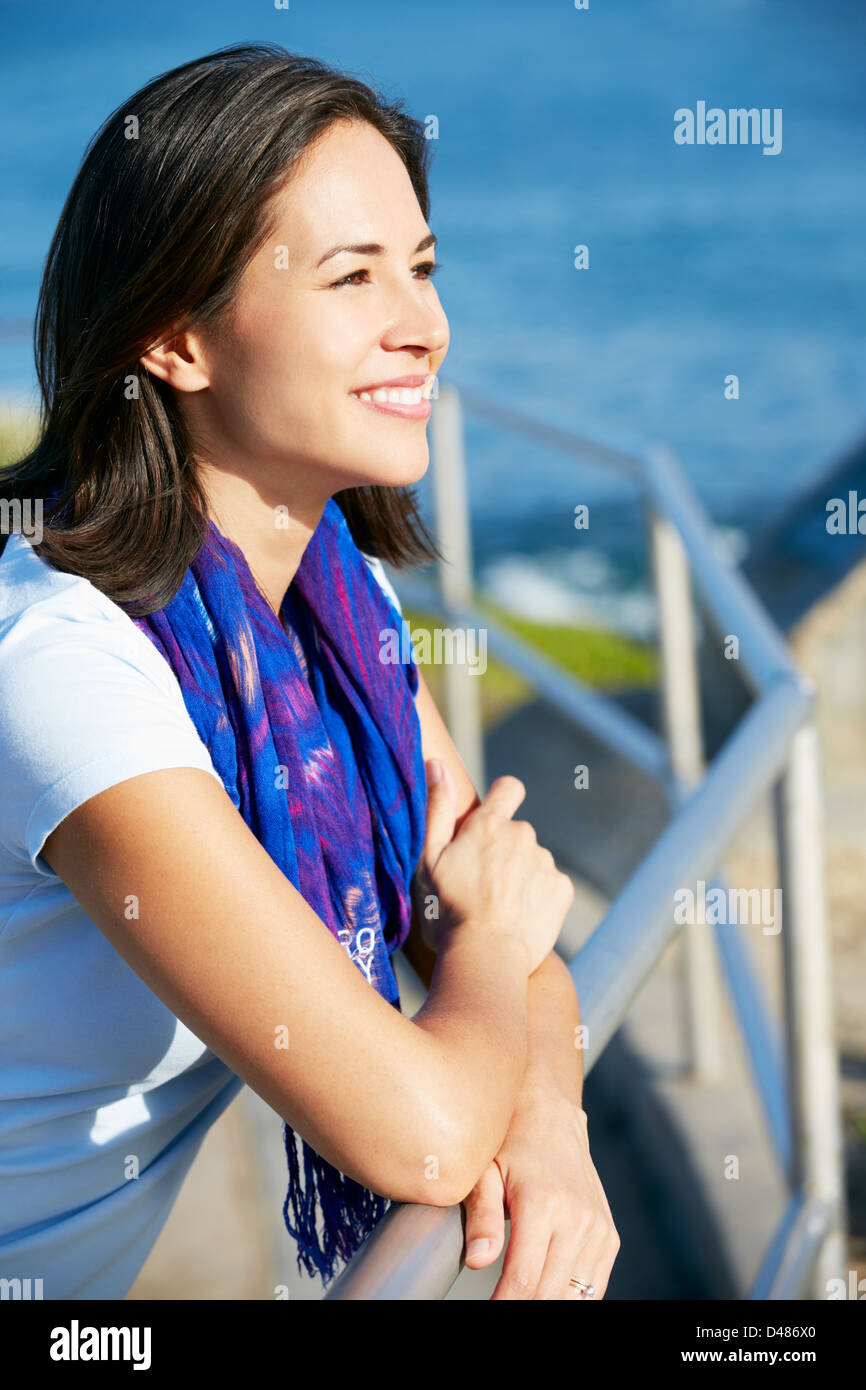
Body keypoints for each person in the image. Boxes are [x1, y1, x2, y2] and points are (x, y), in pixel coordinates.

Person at [0, 42, 619, 1300]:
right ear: (177, 338)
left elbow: (496, 920)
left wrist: (551, 1119)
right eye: (351, 277)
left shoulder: (339, 611)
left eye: (424, 268)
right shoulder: (63, 668)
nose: (424, 326)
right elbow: (429, 1113)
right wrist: (492, 953)